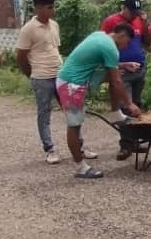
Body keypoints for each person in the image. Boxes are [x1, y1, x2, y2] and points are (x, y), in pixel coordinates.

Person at [55, 24, 142, 179]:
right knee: (74, 126)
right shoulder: (110, 48)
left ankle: (116, 113)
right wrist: (130, 104)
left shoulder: (101, 36)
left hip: (74, 79)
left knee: (116, 73)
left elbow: (103, 67)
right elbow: (115, 82)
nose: (126, 45)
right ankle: (81, 167)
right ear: (122, 36)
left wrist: (123, 64)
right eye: (127, 41)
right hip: (71, 85)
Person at [15, 0, 64, 163]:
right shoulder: (28, 29)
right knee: (44, 113)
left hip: (60, 75)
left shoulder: (54, 25)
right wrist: (32, 74)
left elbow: (54, 49)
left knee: (72, 109)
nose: (53, 10)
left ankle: (79, 145)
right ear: (38, 8)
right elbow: (21, 57)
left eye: (53, 7)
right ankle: (49, 149)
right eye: (50, 7)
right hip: (41, 77)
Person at [101, 0, 150, 160]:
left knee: (137, 105)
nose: (135, 15)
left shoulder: (138, 20)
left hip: (139, 69)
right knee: (125, 106)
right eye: (132, 12)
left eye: (137, 12)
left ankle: (134, 141)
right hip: (121, 71)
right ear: (124, 8)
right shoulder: (111, 21)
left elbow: (147, 41)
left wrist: (145, 23)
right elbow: (103, 43)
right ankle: (126, 145)